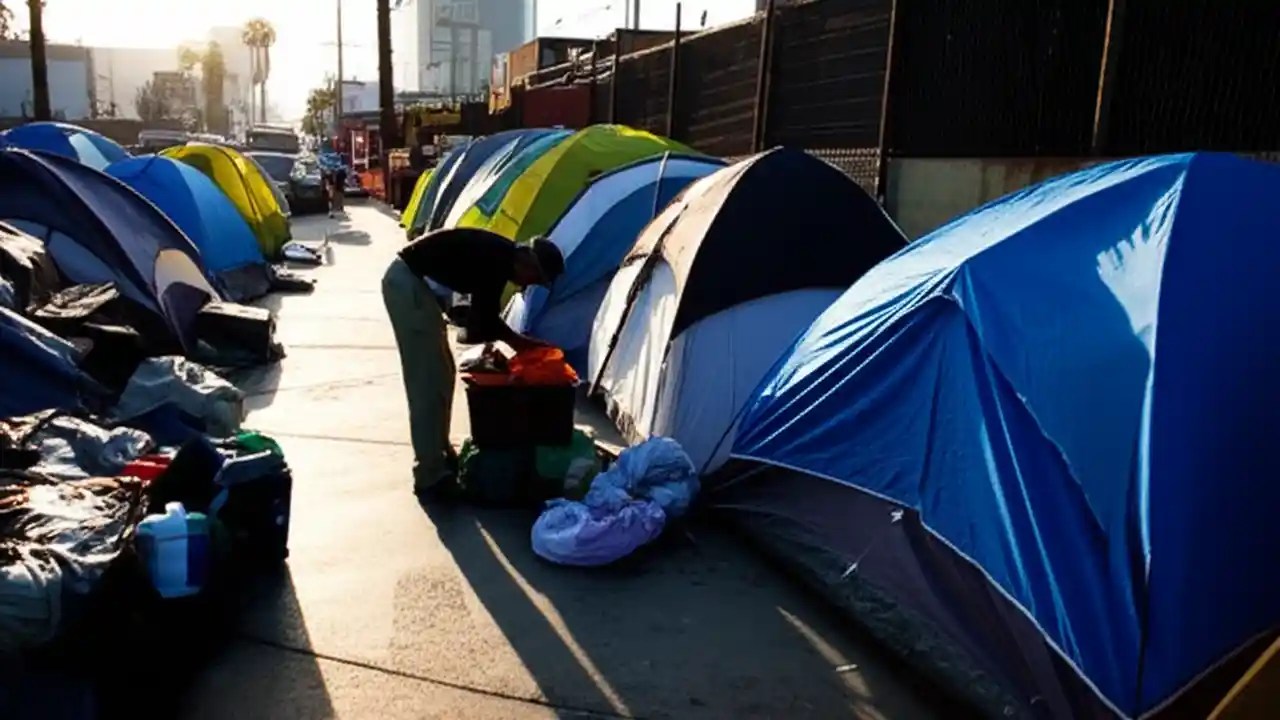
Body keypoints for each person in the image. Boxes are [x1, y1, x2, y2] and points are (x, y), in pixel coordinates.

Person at [381, 228, 565, 498]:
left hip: (418, 287)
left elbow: (477, 325)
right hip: (408, 286)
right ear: (527, 263)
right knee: (426, 382)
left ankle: (439, 452)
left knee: (443, 373)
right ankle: (429, 477)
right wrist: (521, 345)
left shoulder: (502, 256)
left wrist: (512, 344)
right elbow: (482, 326)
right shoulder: (497, 261)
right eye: (534, 278)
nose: (527, 285)